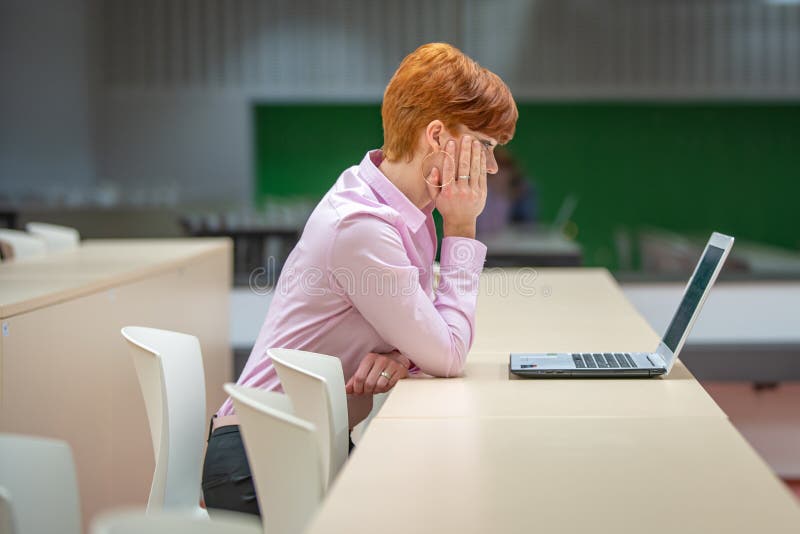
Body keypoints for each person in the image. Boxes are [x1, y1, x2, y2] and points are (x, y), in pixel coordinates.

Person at [202, 42, 518, 515]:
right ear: (437, 136)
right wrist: (461, 228)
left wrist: (400, 352)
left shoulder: (393, 205)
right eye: (486, 147)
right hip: (260, 458)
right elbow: (449, 354)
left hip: (300, 441)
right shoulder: (363, 226)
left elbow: (425, 330)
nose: (492, 167)